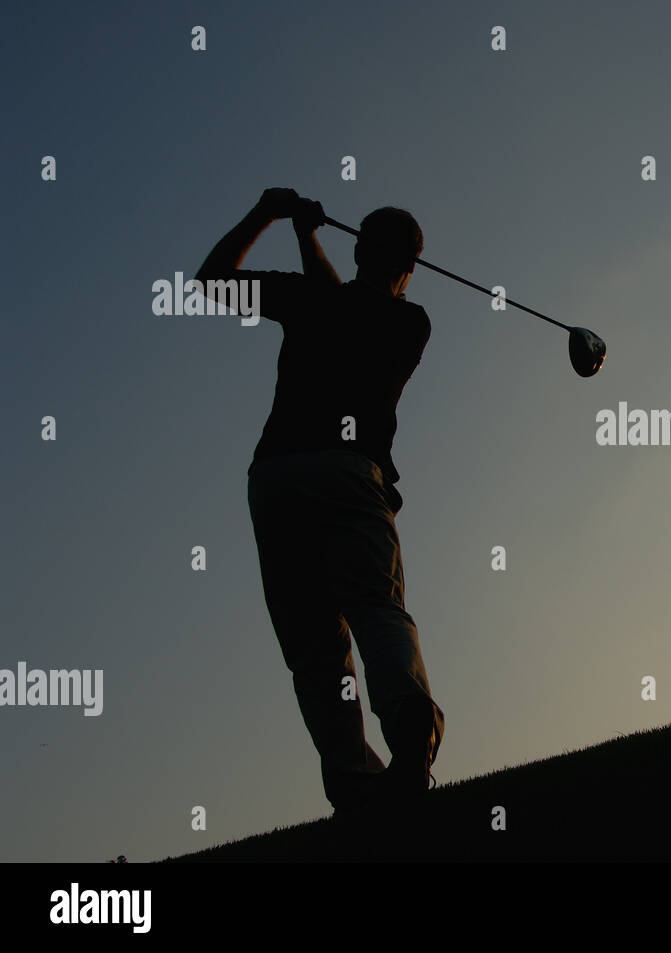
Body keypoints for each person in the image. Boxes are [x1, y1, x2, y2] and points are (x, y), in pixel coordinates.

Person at [196, 187, 445, 814]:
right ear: (409, 267)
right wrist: (306, 237)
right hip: (349, 473)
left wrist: (273, 217)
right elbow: (340, 306)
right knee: (376, 609)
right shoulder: (410, 322)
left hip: (277, 475)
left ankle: (353, 783)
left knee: (313, 649)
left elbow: (210, 280)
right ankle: (410, 726)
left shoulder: (320, 301)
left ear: (359, 248)